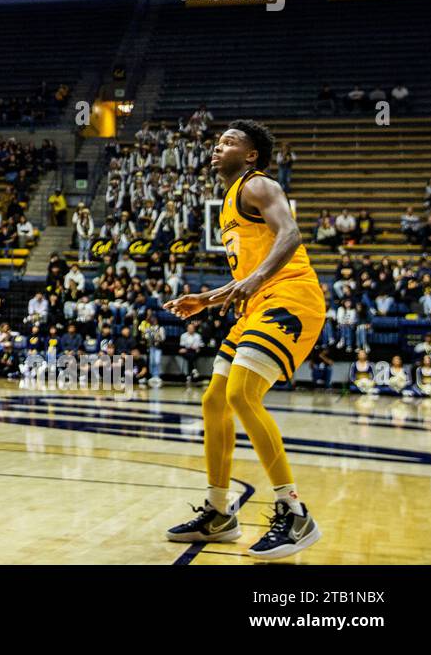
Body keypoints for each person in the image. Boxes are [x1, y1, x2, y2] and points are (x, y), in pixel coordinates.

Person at [163, 120, 324, 560]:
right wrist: (207, 299)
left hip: (291, 297)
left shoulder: (259, 185)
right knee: (214, 401)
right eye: (217, 142)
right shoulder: (228, 202)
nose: (218, 147)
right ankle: (218, 513)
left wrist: (253, 279)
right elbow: (246, 275)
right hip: (257, 303)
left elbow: (290, 234)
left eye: (229, 142)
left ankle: (295, 514)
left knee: (241, 394)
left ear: (251, 155)